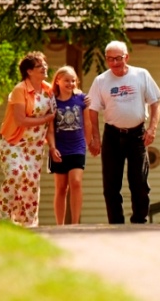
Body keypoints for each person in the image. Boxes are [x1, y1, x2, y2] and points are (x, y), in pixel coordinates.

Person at [87, 40, 160, 224]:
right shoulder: (101, 81)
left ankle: (139, 221)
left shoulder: (141, 75)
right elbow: (92, 110)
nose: (114, 63)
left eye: (118, 58)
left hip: (137, 135)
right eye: (110, 59)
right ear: (106, 59)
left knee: (139, 182)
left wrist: (152, 129)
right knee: (111, 185)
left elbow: (155, 103)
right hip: (112, 135)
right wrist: (95, 138)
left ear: (126, 57)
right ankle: (116, 224)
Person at [0, 52, 56, 227]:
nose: (44, 67)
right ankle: (2, 217)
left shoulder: (49, 90)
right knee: (15, 174)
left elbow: (53, 119)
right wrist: (45, 119)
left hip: (35, 146)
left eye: (44, 64)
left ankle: (28, 223)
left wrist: (52, 146)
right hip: (13, 142)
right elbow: (21, 119)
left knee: (30, 184)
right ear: (29, 71)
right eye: (39, 66)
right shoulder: (19, 90)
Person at [47, 66, 91, 225]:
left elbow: (87, 123)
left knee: (76, 182)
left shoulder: (82, 99)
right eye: (67, 80)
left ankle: (75, 223)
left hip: (77, 147)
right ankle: (60, 225)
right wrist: (52, 148)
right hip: (59, 148)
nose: (70, 83)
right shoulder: (52, 102)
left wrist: (89, 143)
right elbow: (50, 129)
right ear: (58, 81)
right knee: (61, 187)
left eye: (73, 81)